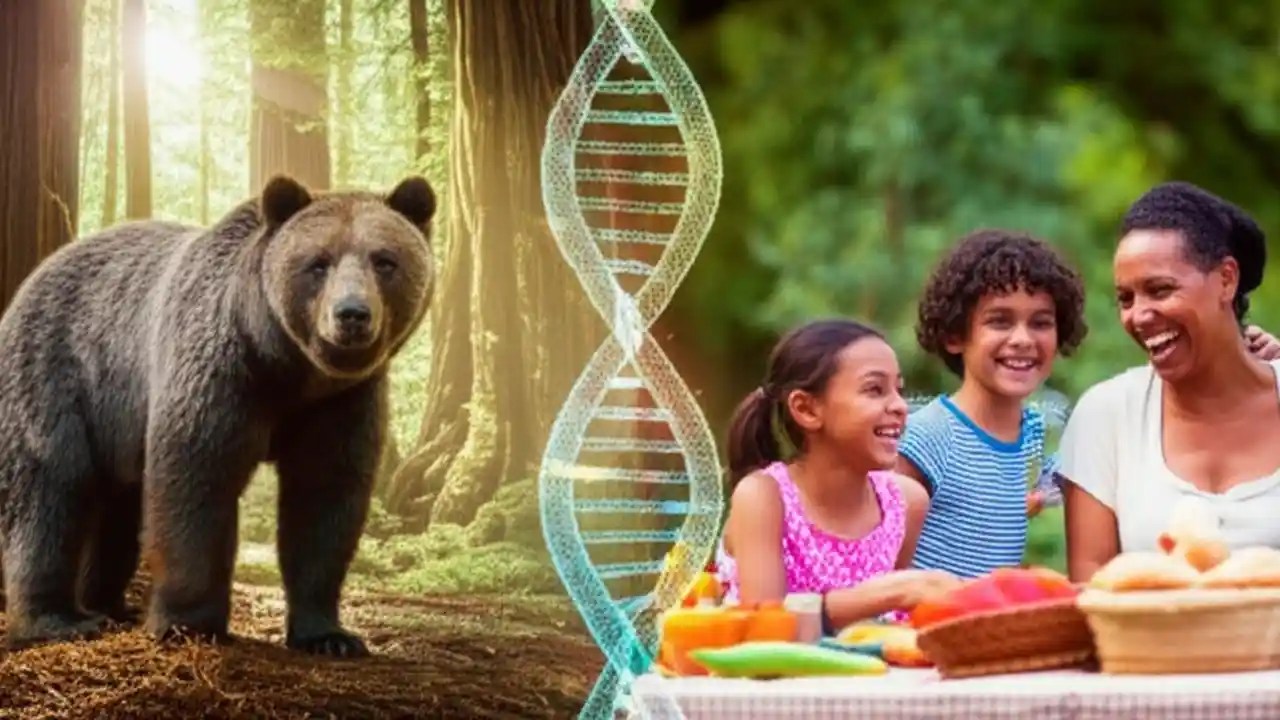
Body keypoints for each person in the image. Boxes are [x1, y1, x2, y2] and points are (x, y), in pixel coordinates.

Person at [1057, 181, 1280, 583]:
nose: (1139, 316)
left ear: (1226, 280)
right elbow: (1092, 591)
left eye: (1160, 290)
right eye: (1126, 299)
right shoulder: (1106, 416)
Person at [715, 319, 961, 632]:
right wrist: (893, 593)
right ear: (806, 410)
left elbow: (886, 627)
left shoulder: (906, 502)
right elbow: (765, 627)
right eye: (874, 389)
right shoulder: (764, 497)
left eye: (899, 390)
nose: (899, 406)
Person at [895, 229, 1088, 578]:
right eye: (1000, 321)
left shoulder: (1034, 432)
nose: (1023, 340)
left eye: (1041, 323)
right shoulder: (927, 437)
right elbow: (879, 561)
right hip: (917, 628)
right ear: (955, 335)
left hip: (987, 627)